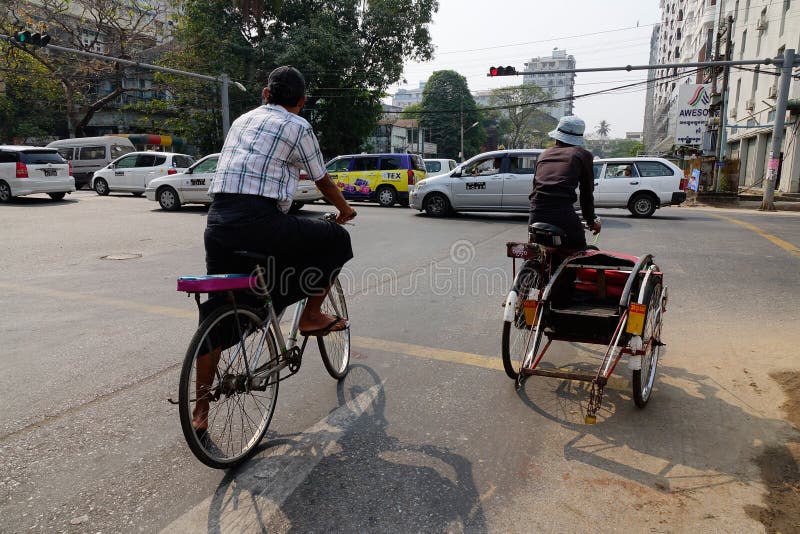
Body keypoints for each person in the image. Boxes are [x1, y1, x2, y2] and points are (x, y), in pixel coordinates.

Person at [194, 66, 357, 433]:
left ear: (265, 94)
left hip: (218, 223)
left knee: (217, 311)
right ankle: (311, 314)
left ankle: (200, 410)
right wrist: (344, 210)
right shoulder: (297, 126)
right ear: (300, 102)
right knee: (336, 240)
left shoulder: (241, 121)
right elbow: (321, 179)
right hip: (261, 222)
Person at [528, 115, 601, 251]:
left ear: (557, 136)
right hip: (562, 215)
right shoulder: (582, 155)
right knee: (577, 254)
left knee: (538, 255)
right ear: (578, 138)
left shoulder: (543, 155)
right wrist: (591, 220)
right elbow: (586, 193)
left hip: (535, 214)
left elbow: (535, 187)